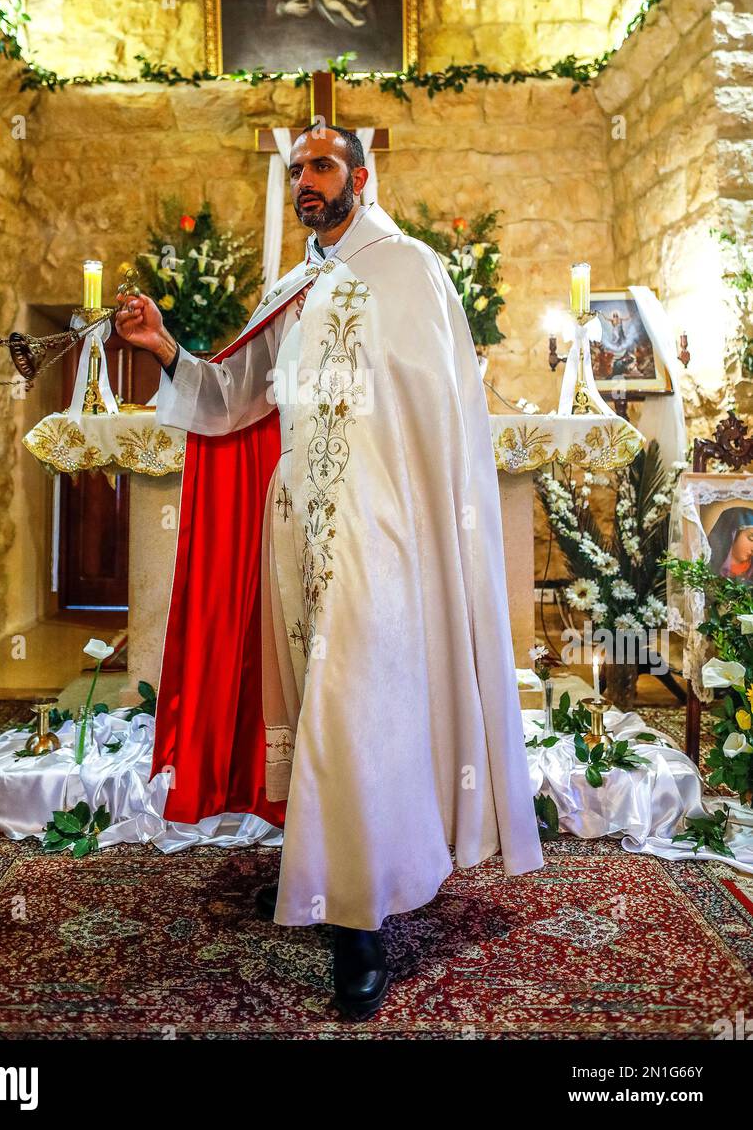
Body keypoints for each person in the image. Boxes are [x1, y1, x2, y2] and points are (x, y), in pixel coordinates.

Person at [116, 127, 543, 1018]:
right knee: (321, 705)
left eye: (321, 167)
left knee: (354, 702)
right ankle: (341, 866)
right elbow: (233, 400)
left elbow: (443, 421)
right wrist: (164, 348)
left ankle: (358, 922)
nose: (306, 183)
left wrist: (423, 533)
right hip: (293, 532)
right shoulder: (295, 286)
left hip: (380, 530)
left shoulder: (409, 271)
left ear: (361, 175)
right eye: (297, 172)